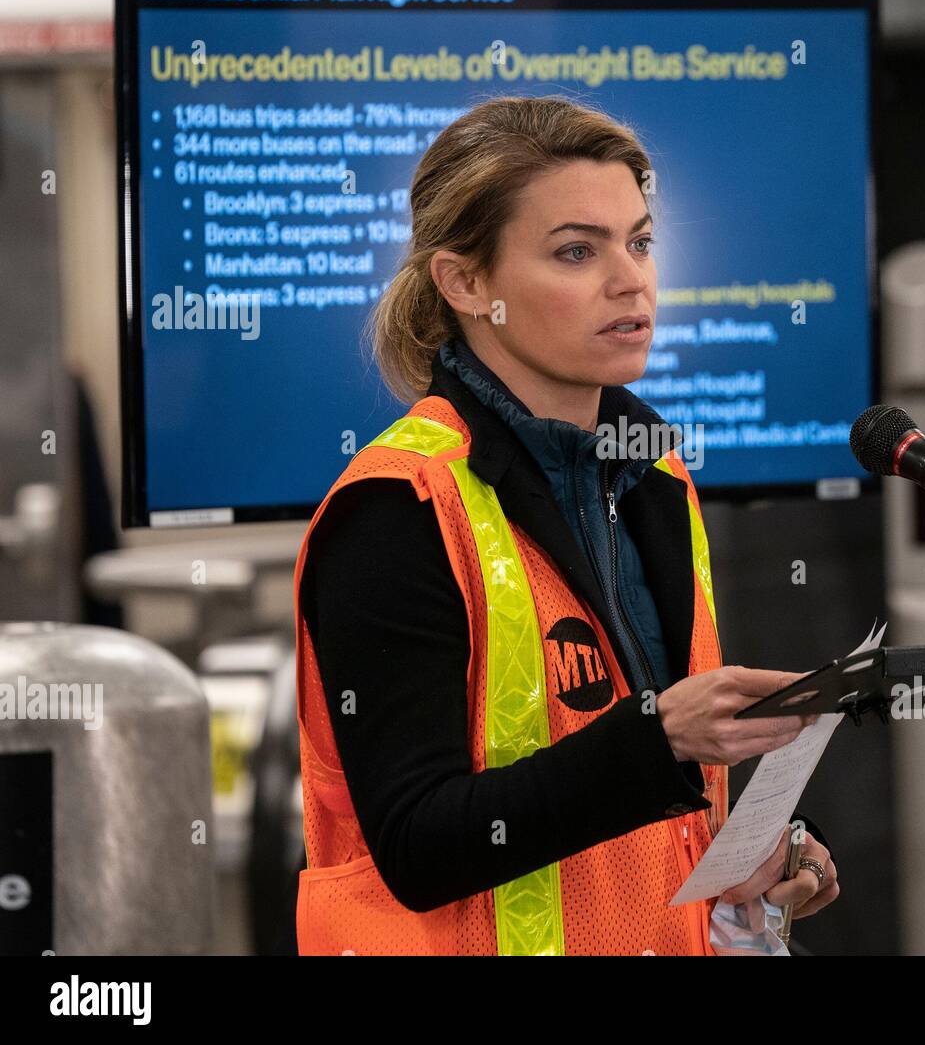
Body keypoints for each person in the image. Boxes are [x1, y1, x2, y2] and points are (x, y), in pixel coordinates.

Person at [293, 94, 840, 955]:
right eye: (576, 251)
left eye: (641, 241)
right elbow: (416, 846)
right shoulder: (396, 507)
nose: (631, 280)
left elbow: (628, 798)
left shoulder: (656, 475)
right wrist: (658, 739)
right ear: (465, 283)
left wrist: (741, 854)